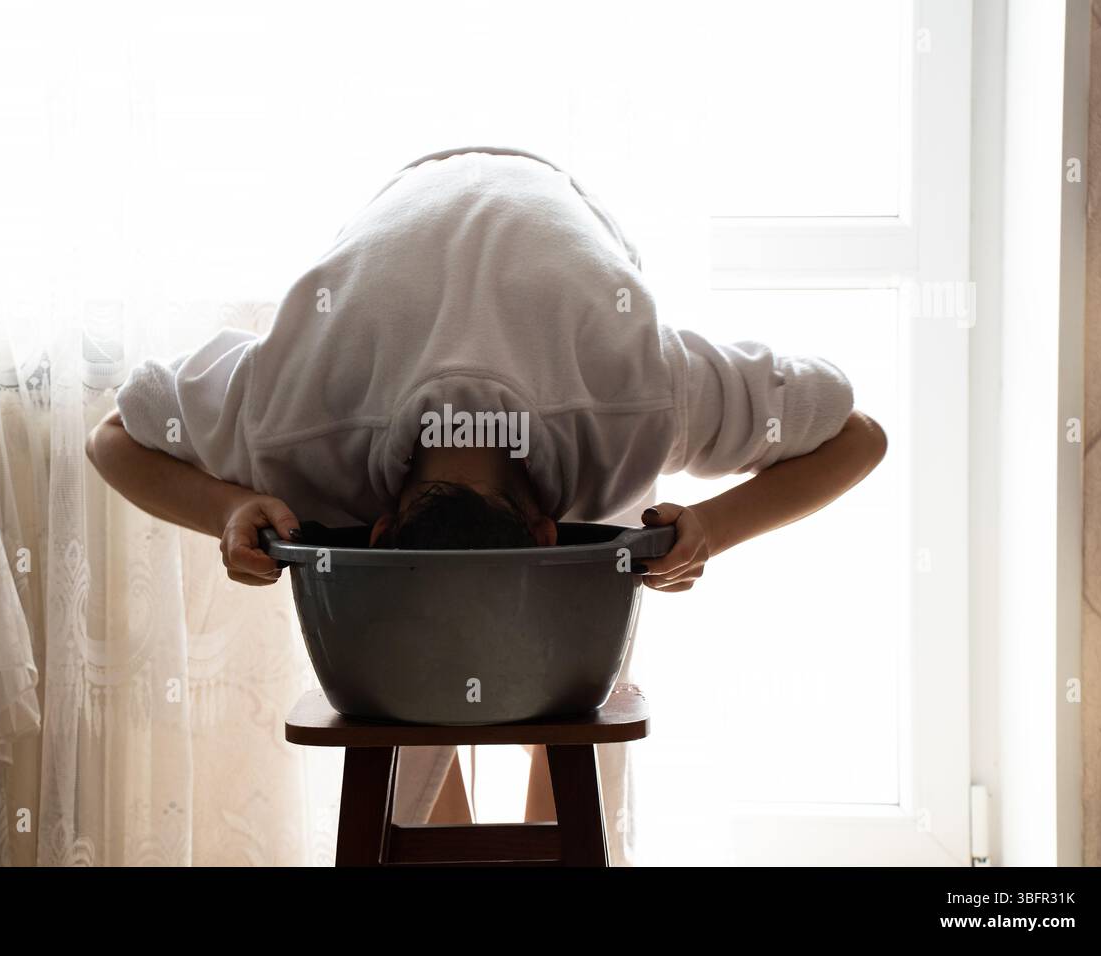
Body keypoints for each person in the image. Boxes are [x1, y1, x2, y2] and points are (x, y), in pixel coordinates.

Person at [86, 146, 887, 826]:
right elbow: (113, 438)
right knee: (422, 653)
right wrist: (228, 508)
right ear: (372, 533)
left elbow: (858, 437)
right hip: (394, 249)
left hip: (553, 234)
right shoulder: (300, 409)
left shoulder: (633, 388)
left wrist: (712, 526)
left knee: (586, 629)